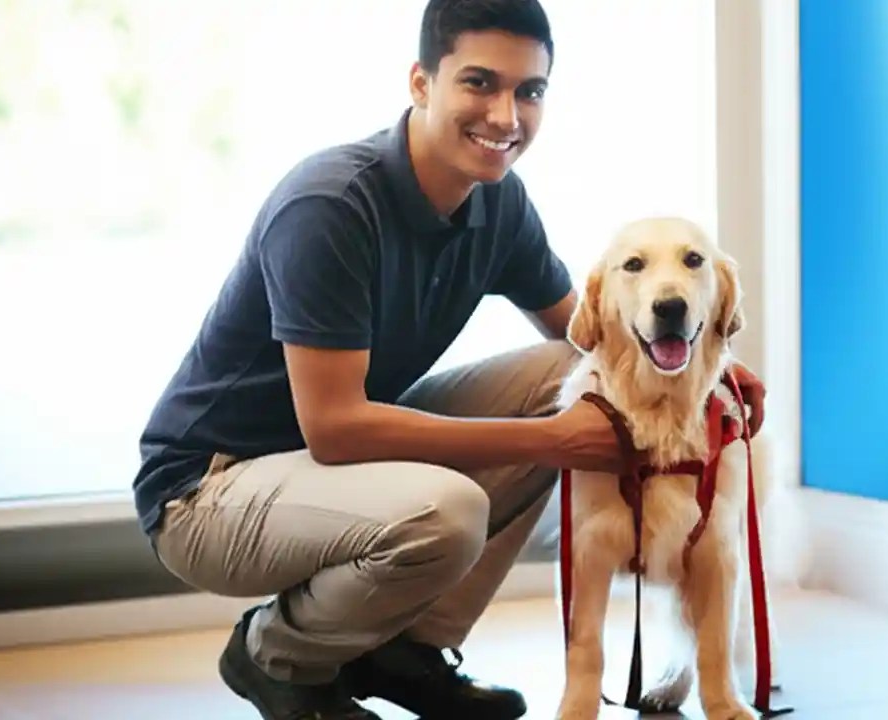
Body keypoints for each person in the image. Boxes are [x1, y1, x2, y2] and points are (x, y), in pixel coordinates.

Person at [132, 1, 766, 718]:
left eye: (530, 91)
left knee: (556, 380)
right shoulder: (330, 206)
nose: (506, 115)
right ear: (420, 83)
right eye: (480, 83)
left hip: (323, 471)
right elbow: (335, 430)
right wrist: (549, 441)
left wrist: (709, 372)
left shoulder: (499, 205)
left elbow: (590, 340)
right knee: (452, 508)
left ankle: (406, 649)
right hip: (207, 490)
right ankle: (278, 656)